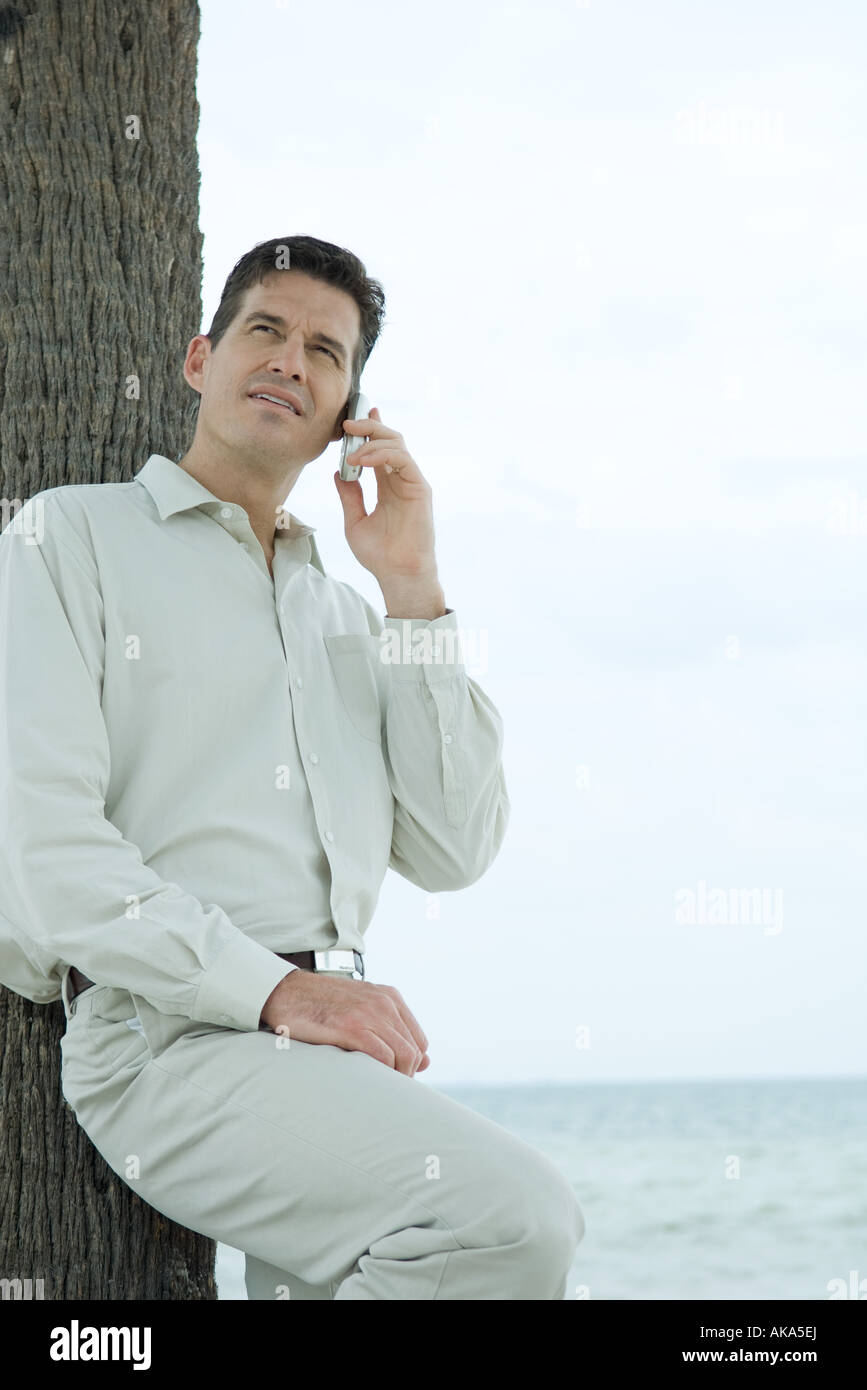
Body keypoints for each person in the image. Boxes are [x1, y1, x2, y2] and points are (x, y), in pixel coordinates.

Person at [0, 234, 585, 1299]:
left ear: (346, 413)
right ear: (198, 360)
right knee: (508, 1218)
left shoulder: (356, 620)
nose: (290, 360)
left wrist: (412, 584)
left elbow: (454, 847)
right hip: (165, 1037)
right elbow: (47, 858)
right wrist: (279, 992)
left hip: (334, 1047)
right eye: (264, 329)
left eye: (326, 350)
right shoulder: (68, 540)